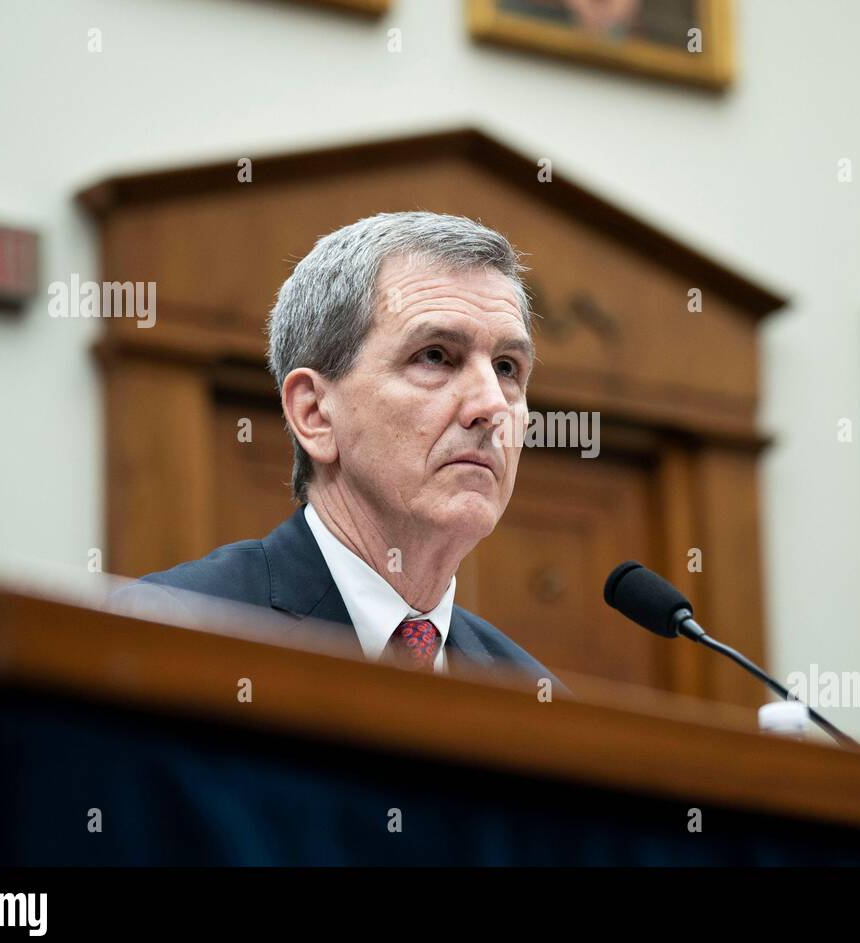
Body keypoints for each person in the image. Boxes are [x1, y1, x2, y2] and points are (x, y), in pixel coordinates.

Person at [111, 212, 563, 691]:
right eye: (435, 356)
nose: (492, 404)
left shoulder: (536, 695)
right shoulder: (173, 632)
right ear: (315, 414)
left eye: (507, 368)